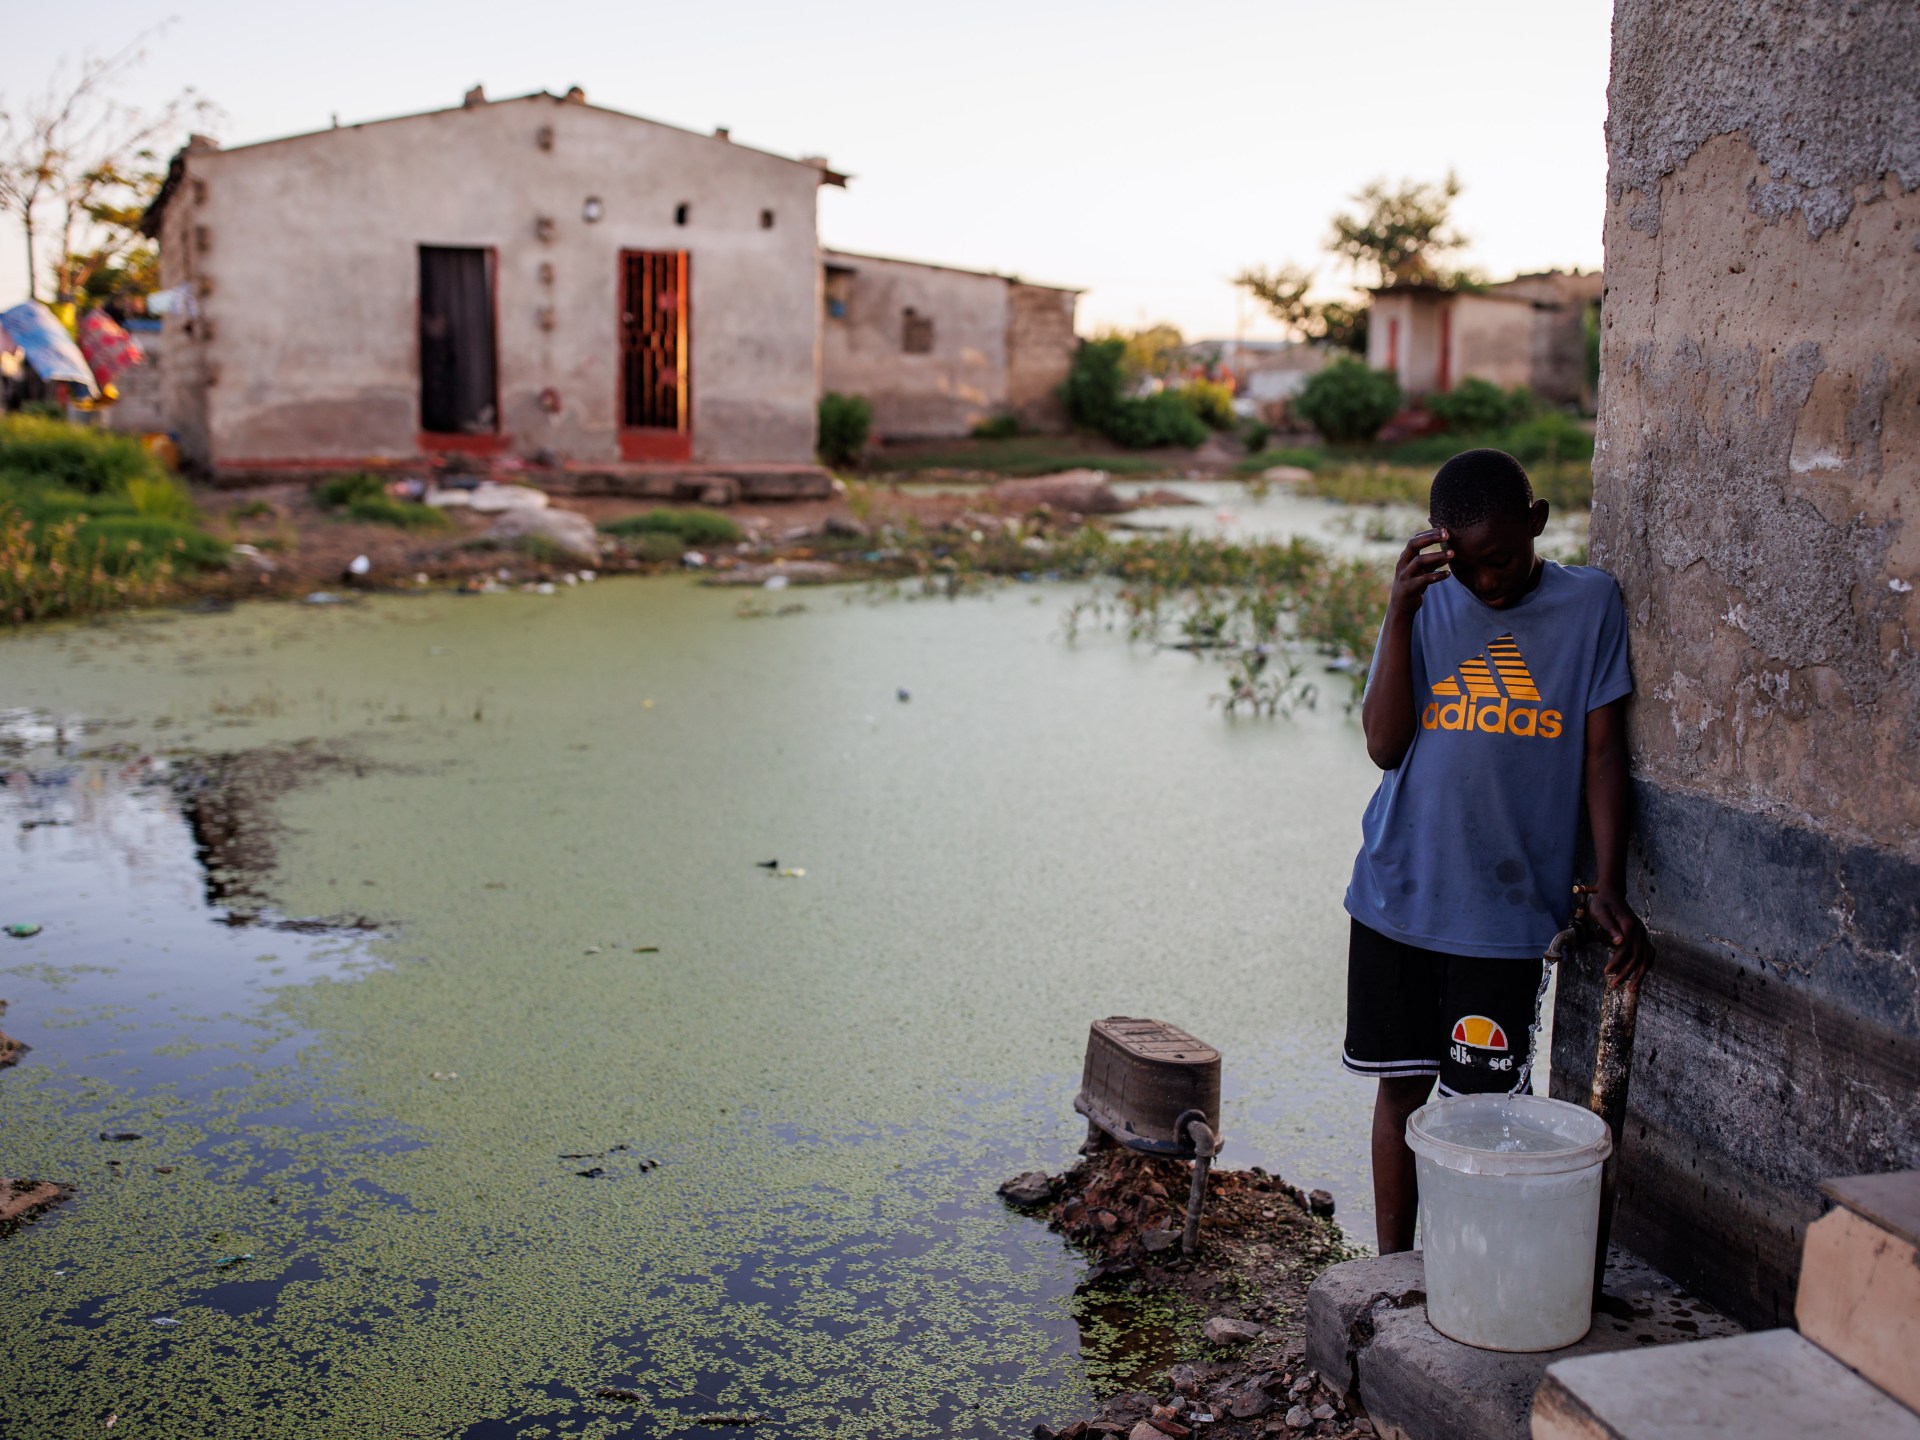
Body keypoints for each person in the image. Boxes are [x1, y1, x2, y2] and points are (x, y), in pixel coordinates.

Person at [1343, 447, 1654, 1254]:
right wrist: (1400, 611)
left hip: (1506, 916)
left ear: (1538, 524)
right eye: (1470, 564)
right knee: (1401, 1094)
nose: (1489, 582)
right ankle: (1392, 1271)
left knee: (1483, 1110)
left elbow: (1600, 756)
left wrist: (1607, 882)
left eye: (1504, 559)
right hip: (1399, 894)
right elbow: (1383, 745)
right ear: (1440, 546)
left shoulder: (1590, 607)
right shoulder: (1428, 604)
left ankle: (1468, 1271)